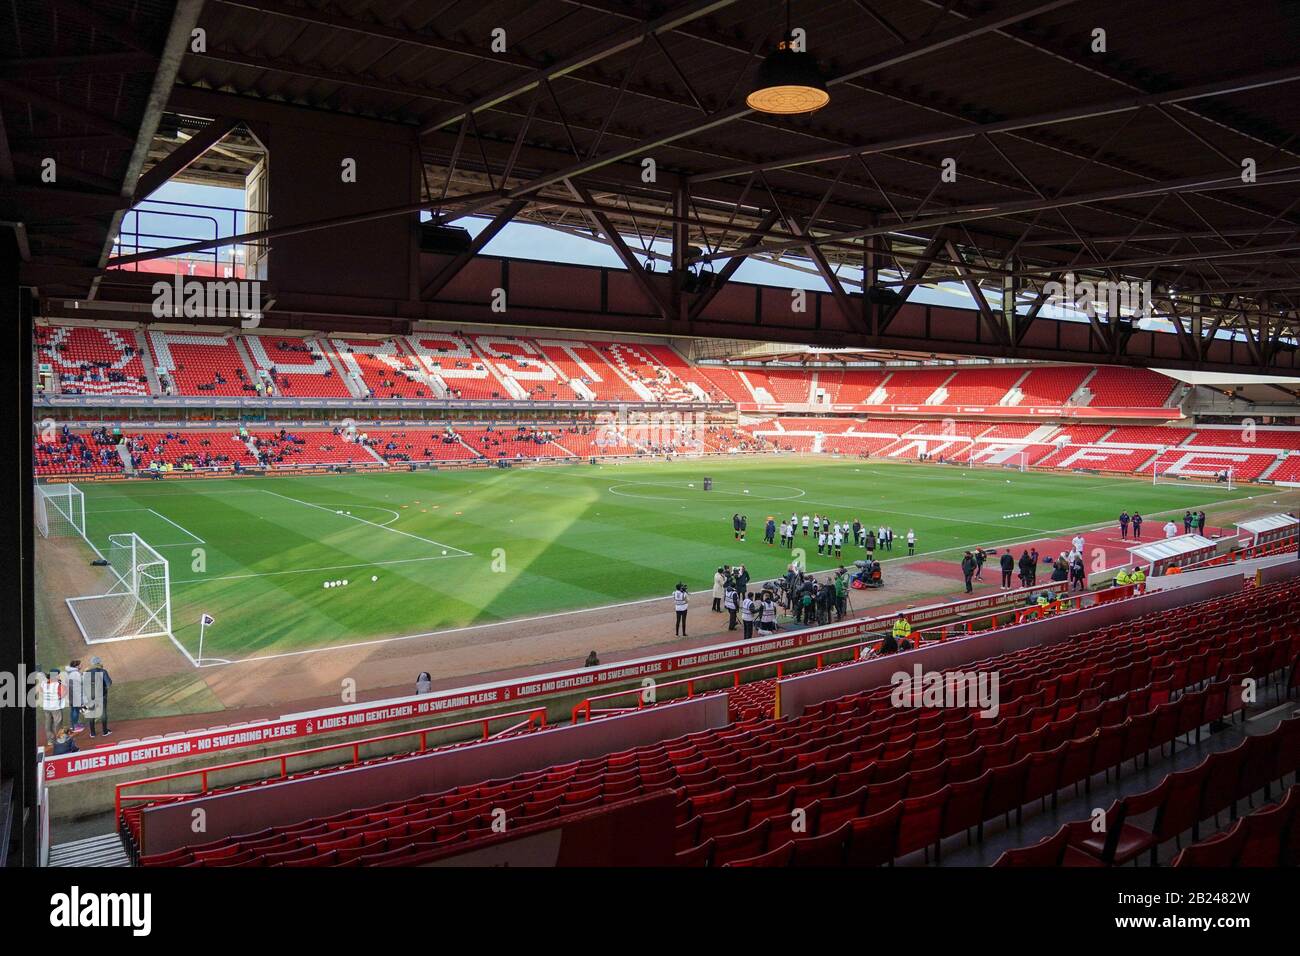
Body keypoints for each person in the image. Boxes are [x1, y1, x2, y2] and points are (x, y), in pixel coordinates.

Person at [82, 657, 112, 737]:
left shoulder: (85, 673)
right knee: (103, 713)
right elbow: (109, 684)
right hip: (101, 696)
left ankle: (92, 733)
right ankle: (105, 731)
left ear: (91, 663)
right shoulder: (103, 671)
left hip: (90, 697)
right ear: (99, 662)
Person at [39, 668, 65, 745]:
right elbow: (62, 694)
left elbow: (41, 691)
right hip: (55, 706)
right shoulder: (58, 684)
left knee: (48, 724)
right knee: (58, 724)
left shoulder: (44, 683)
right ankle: (60, 739)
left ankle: (50, 740)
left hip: (46, 707)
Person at [65, 659, 84, 732]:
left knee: (73, 709)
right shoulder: (76, 673)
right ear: (76, 666)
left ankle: (73, 725)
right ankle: (75, 726)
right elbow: (81, 682)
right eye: (80, 664)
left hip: (70, 694)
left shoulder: (69, 672)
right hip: (75, 694)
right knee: (76, 710)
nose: (81, 665)